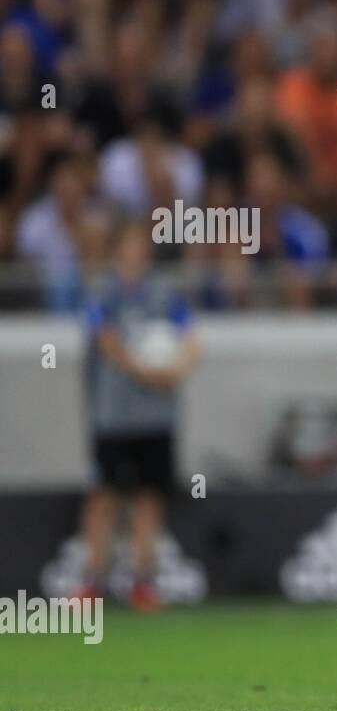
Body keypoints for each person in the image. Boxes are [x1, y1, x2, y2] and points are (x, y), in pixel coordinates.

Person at [78, 221, 200, 610]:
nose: (135, 254)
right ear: (117, 251)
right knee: (104, 493)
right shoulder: (103, 293)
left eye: (140, 247)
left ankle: (143, 581)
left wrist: (178, 366)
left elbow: (192, 340)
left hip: (156, 417)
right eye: (128, 246)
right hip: (113, 416)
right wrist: (148, 372)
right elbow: (107, 341)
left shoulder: (165, 293)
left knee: (149, 494)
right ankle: (92, 581)